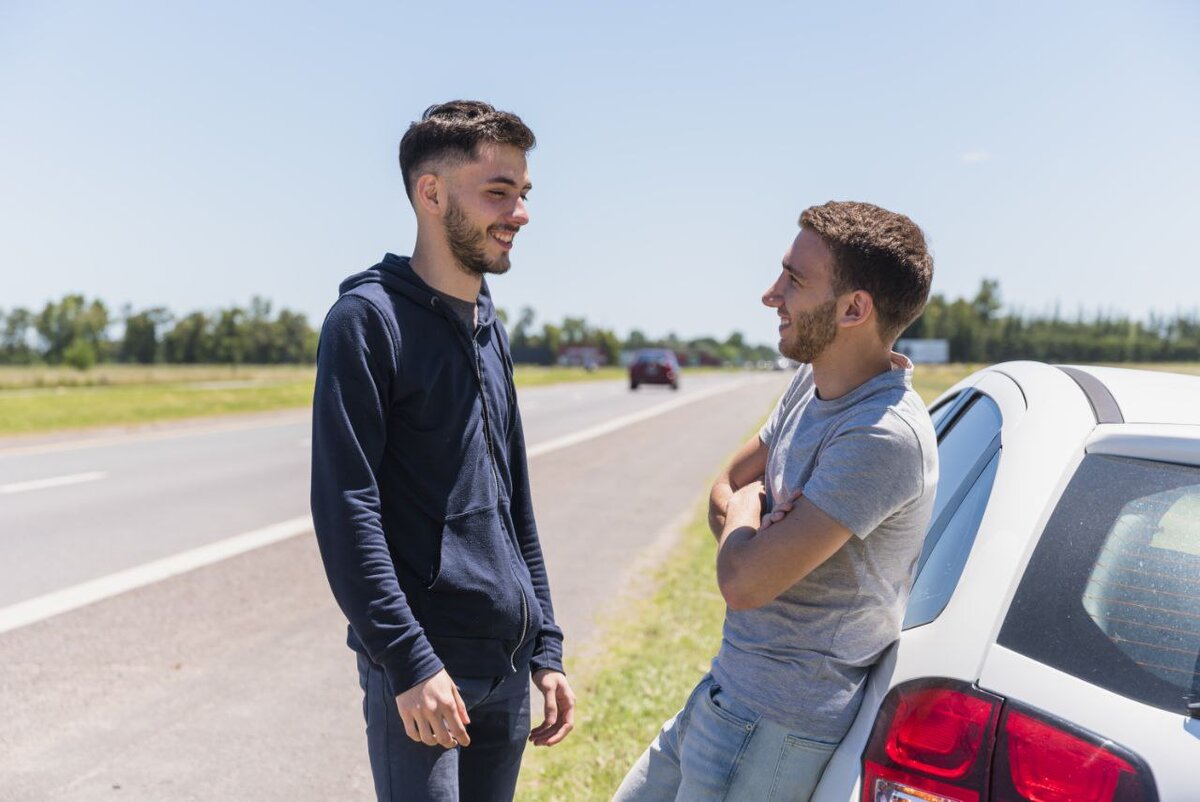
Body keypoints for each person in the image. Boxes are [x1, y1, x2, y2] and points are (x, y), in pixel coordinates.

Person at [614, 201, 939, 801]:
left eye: (795, 279)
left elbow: (744, 580)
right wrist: (753, 525)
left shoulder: (881, 435)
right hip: (726, 691)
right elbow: (726, 483)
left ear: (854, 309)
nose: (771, 294)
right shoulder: (810, 382)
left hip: (775, 728)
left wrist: (747, 514)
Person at [310, 100, 575, 802]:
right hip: (427, 674)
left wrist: (545, 645)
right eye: (498, 192)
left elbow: (513, 501)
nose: (519, 212)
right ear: (431, 194)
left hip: (507, 667)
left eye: (522, 194)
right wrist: (406, 661)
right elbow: (346, 507)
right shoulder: (367, 322)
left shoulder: (491, 323)